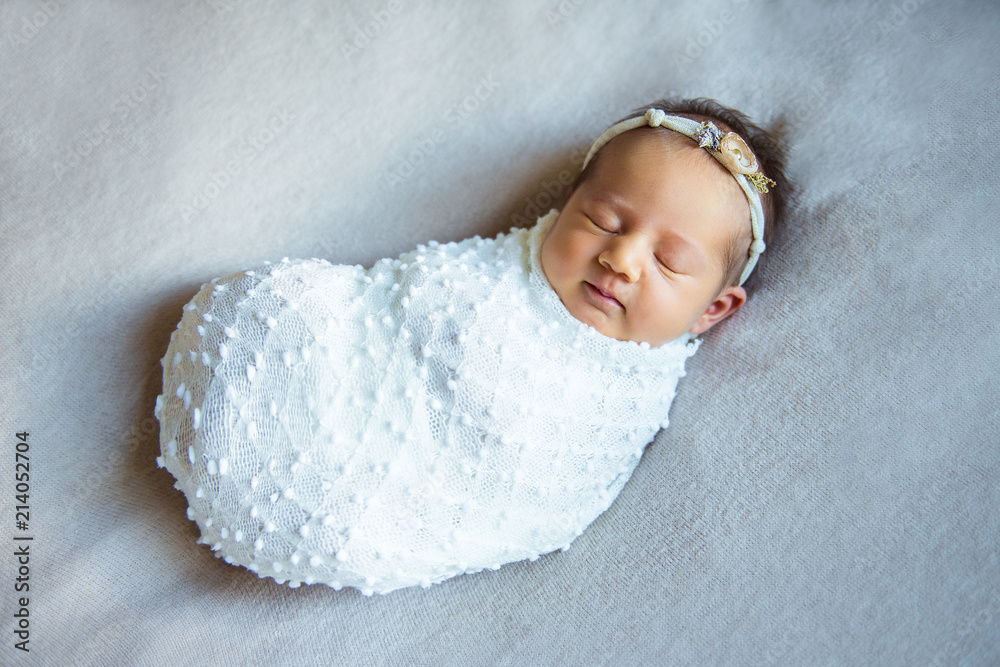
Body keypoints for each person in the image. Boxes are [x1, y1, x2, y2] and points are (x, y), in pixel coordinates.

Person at [155, 98, 789, 595]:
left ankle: (300, 504)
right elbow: (406, 301)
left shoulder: (617, 400)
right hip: (341, 361)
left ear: (713, 310)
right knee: (270, 308)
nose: (620, 257)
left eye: (668, 260)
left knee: (343, 518)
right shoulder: (504, 269)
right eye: (603, 220)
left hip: (387, 497)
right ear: (565, 207)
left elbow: (547, 492)